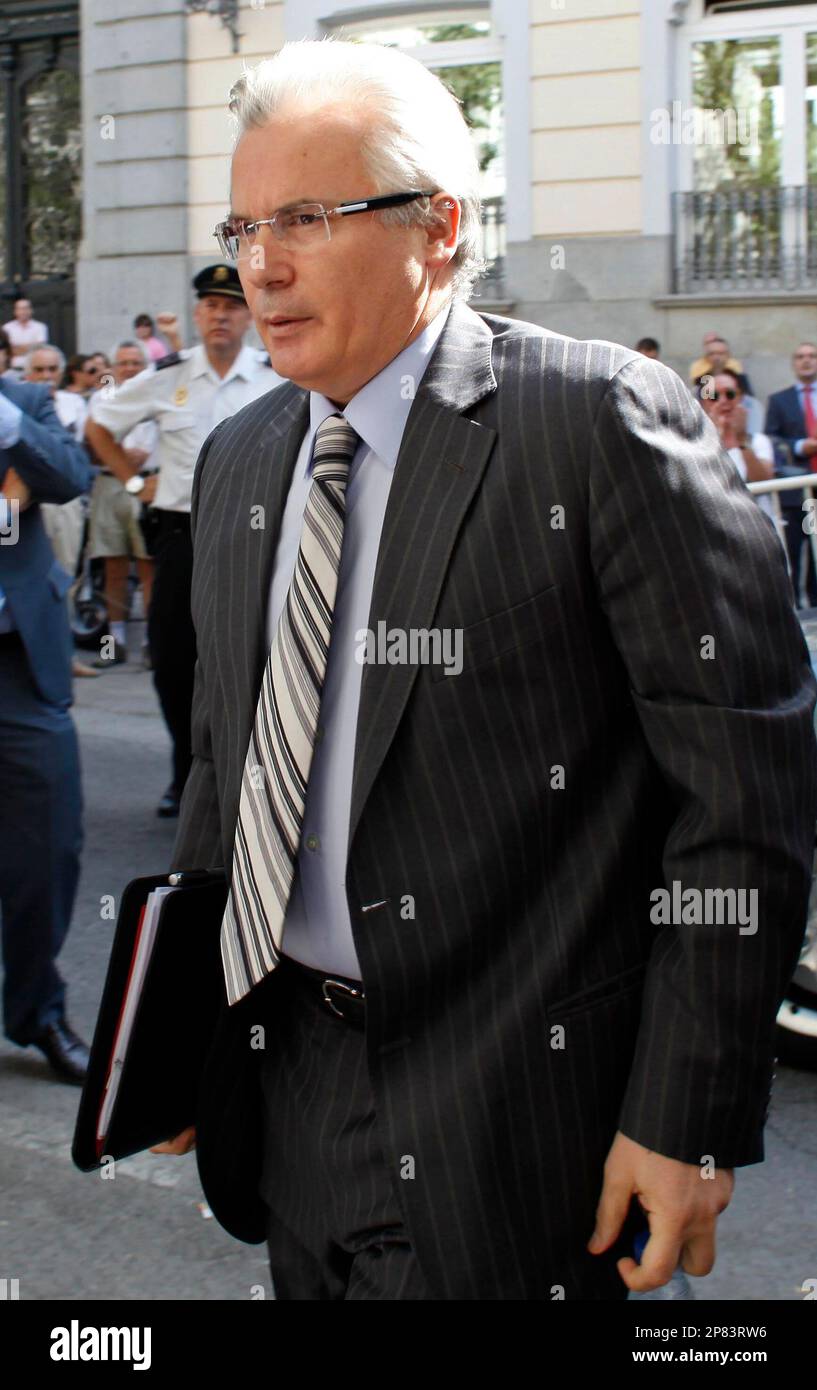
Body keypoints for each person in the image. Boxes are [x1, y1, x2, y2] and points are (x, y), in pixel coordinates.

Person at [152, 39, 817, 1302]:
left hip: (518, 1121)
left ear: (439, 229)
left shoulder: (595, 423)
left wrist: (684, 1114)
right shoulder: (241, 458)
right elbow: (223, 771)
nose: (262, 263)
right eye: (246, 222)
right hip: (291, 1093)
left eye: (307, 216)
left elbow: (743, 797)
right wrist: (181, 1027)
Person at [85, 266, 283, 817]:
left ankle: (251, 775)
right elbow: (99, 425)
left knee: (257, 657)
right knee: (174, 659)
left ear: (248, 316)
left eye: (232, 306)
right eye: (211, 306)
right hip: (182, 536)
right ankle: (183, 770)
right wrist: (131, 481)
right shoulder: (166, 375)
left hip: (254, 538)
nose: (221, 315)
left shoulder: (276, 375)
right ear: (197, 315)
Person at [0, 372, 94, 1083]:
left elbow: (68, 475)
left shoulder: (22, 402)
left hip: (19, 665)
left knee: (49, 848)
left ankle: (38, 1010)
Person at [23, 345, 96, 679]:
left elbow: (80, 453)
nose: (46, 376)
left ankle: (64, 655)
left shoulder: (74, 404)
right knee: (28, 577)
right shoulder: (19, 402)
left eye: (52, 369)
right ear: (27, 373)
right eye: (39, 370)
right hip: (25, 504)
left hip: (66, 505)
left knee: (65, 577)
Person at [86, 340, 157, 667]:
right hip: (109, 486)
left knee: (148, 566)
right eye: (124, 362)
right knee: (112, 566)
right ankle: (110, 644)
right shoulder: (102, 399)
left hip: (147, 486)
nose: (130, 368)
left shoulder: (158, 394)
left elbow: (148, 450)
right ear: (113, 367)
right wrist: (115, 455)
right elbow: (91, 445)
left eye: (136, 362)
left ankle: (150, 645)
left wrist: (120, 454)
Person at [765, 342, 817, 609]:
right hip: (795, 493)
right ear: (794, 363)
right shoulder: (779, 400)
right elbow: (771, 439)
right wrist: (799, 446)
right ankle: (796, 610)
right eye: (800, 357)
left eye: (811, 356)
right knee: (795, 554)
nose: (806, 361)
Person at [698, 368, 776, 524]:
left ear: (740, 398)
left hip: (760, 524)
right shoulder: (695, 442)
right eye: (714, 396)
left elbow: (764, 481)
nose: (723, 401)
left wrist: (741, 441)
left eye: (730, 394)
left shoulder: (757, 440)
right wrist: (715, 436)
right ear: (703, 404)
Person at [2, 297, 48, 372]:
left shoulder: (40, 327)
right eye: (20, 309)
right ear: (15, 311)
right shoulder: (7, 328)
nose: (23, 311)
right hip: (12, 368)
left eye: (26, 308)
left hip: (34, 369)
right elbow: (8, 350)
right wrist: (31, 347)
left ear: (31, 310)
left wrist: (16, 348)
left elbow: (40, 348)